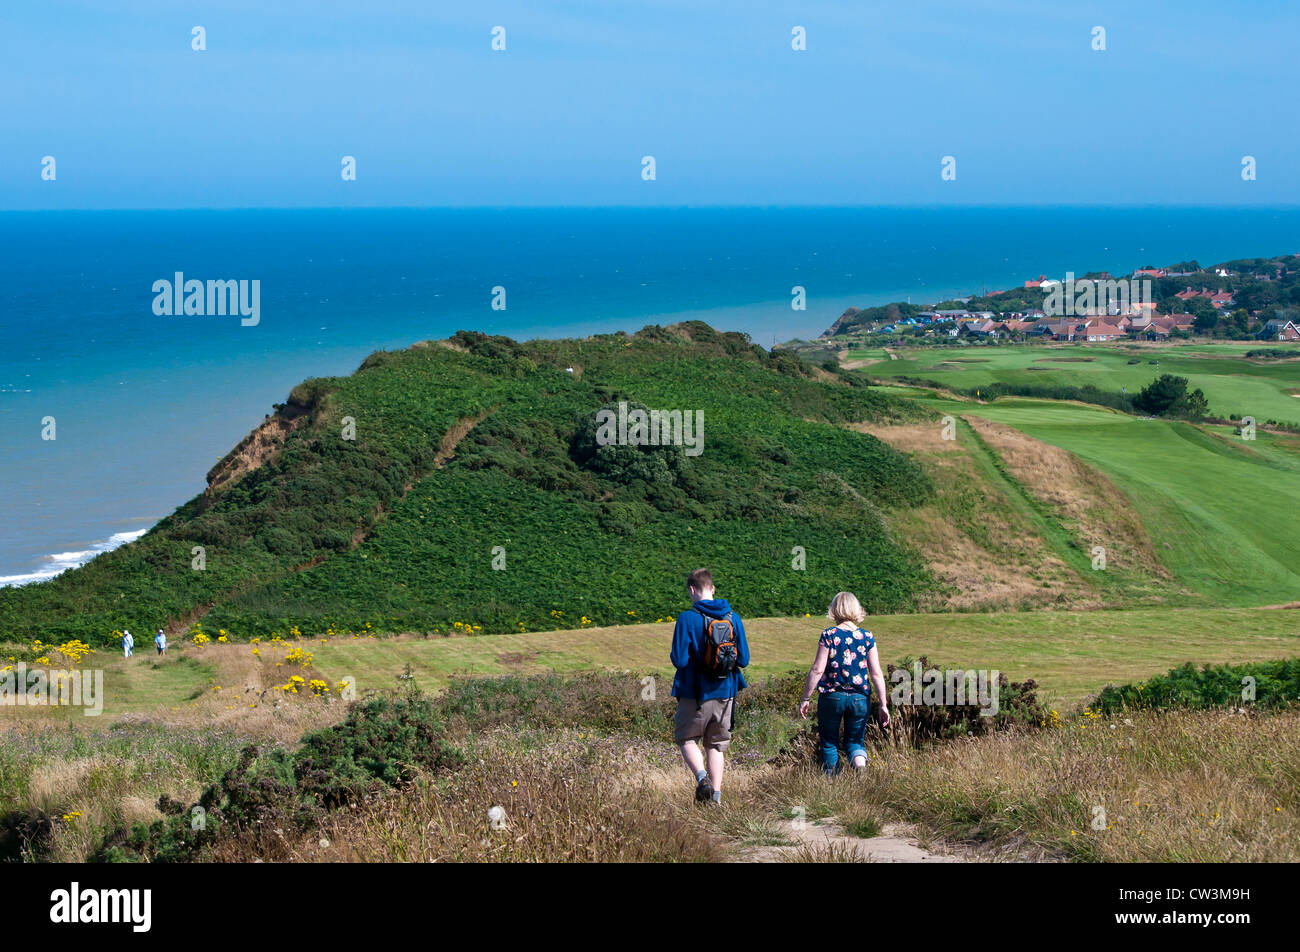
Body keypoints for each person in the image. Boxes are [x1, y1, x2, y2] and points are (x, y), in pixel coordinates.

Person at [670, 568, 750, 805]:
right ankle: (715, 798)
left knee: (686, 739)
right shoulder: (733, 617)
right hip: (726, 694)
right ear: (713, 589)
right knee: (715, 745)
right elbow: (743, 659)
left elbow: (680, 660)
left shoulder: (687, 618)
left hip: (694, 693)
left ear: (692, 590)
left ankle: (702, 778)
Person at [798, 592, 890, 776]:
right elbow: (876, 673)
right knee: (855, 742)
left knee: (829, 742)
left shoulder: (829, 635)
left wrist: (806, 697)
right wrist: (883, 704)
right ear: (856, 609)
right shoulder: (867, 636)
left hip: (832, 696)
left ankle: (833, 782)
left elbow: (817, 669)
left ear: (834, 610)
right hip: (860, 698)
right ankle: (860, 768)